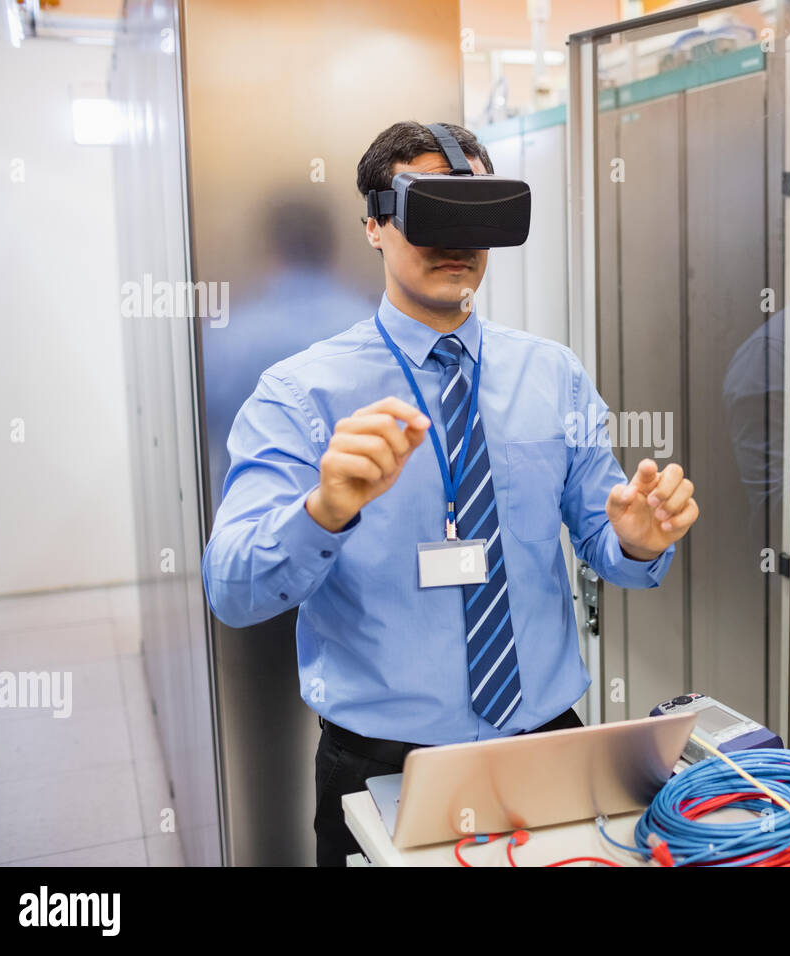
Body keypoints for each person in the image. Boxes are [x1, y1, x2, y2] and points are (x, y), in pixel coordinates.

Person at [201, 121, 699, 866]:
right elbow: (232, 590)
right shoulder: (302, 393)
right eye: (431, 211)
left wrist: (633, 540)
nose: (456, 239)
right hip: (382, 765)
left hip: (549, 748)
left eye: (478, 213)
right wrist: (323, 511)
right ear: (374, 223)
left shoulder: (551, 375)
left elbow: (606, 543)